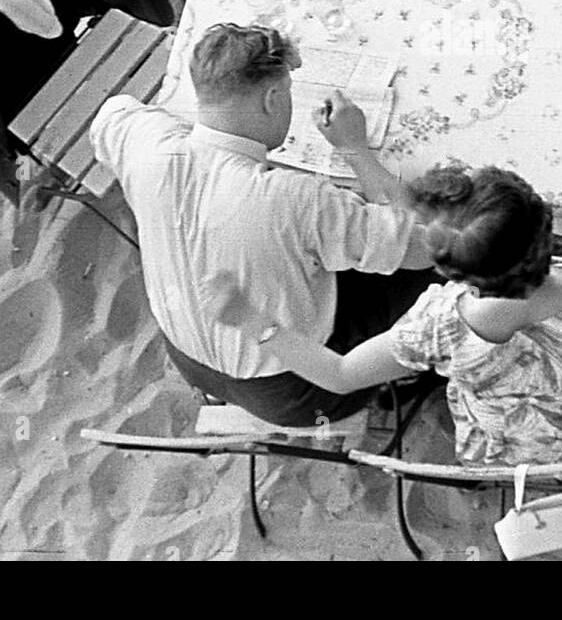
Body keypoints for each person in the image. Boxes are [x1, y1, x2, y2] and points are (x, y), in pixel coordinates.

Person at [88, 22, 436, 426]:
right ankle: (408, 377)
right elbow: (424, 247)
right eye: (287, 93)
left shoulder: (144, 142)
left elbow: (111, 114)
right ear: (272, 99)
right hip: (296, 389)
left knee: (328, 244)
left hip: (190, 360)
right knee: (446, 264)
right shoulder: (293, 197)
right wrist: (355, 149)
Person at [243, 165, 562, 466]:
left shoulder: (435, 327)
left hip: (508, 442)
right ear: (547, 225)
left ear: (448, 269)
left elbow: (339, 374)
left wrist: (260, 324)